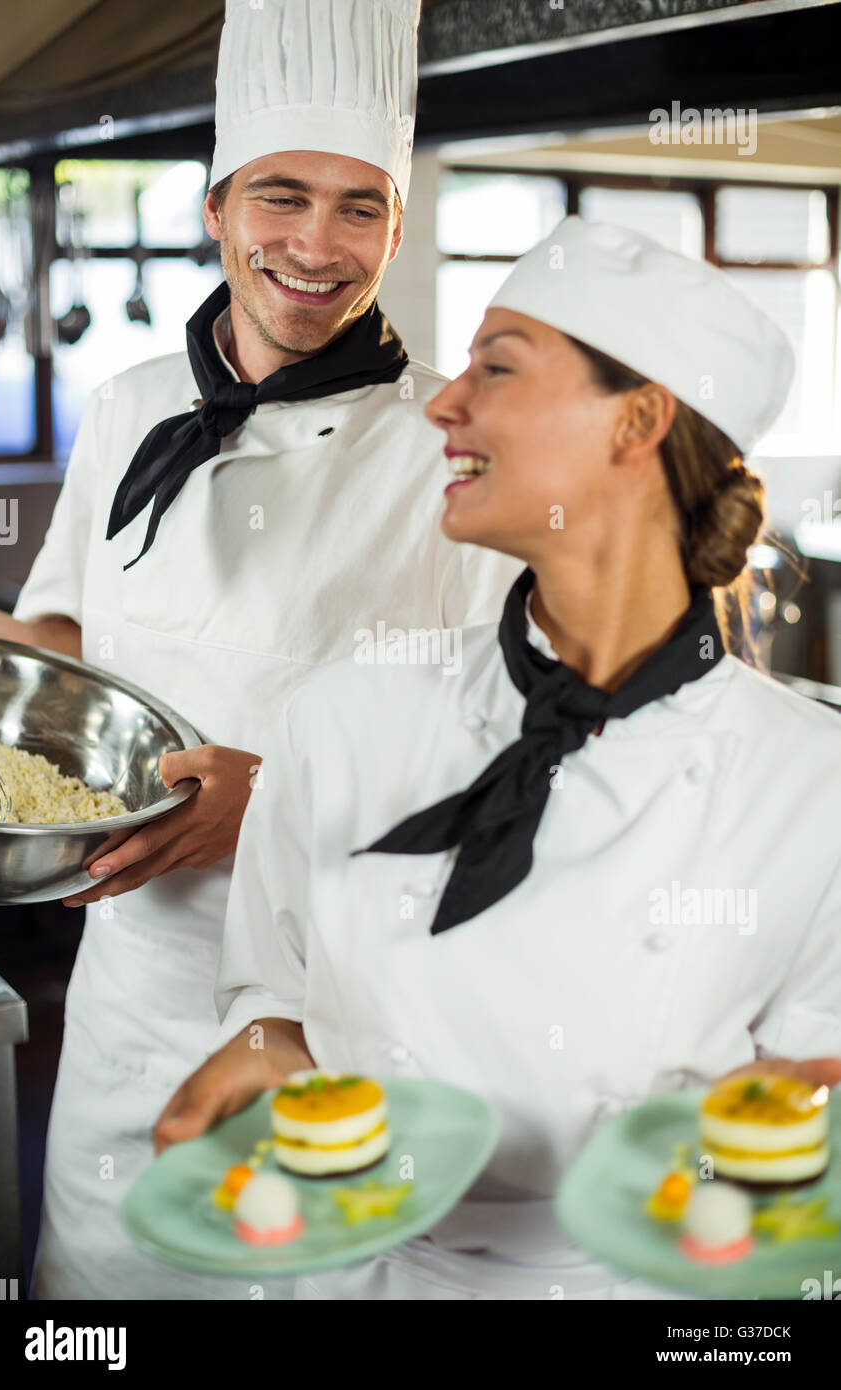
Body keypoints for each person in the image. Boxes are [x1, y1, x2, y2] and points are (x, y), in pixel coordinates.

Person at [157, 217, 841, 1300]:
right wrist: (270, 1042)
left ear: (636, 421)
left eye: (497, 366)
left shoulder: (813, 783)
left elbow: (802, 1128)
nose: (443, 399)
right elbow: (269, 985)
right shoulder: (336, 718)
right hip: (360, 1277)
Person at [0, 0, 516, 1299]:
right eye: (282, 196)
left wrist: (266, 800)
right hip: (127, 997)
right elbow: (67, 642)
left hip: (334, 1019)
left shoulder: (450, 442)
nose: (317, 247)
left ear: (396, 222)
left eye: (359, 207)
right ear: (217, 207)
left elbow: (519, 750)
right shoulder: (128, 408)